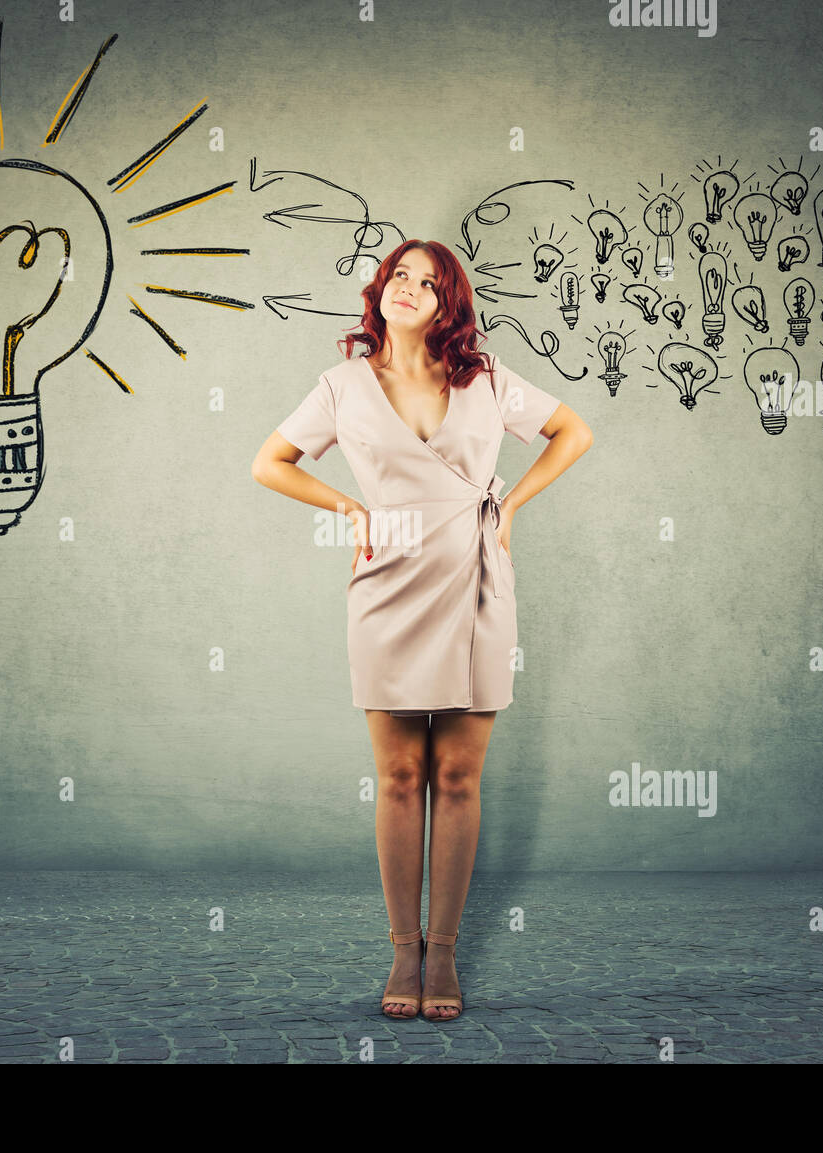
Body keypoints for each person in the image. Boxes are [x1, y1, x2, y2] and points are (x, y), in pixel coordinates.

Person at [252, 240, 592, 1020]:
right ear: (381, 291)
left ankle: (445, 955)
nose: (410, 288)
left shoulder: (485, 376)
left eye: (429, 282)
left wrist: (509, 507)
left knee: (459, 777)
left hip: (476, 584)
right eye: (399, 275)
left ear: (448, 304)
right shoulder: (340, 386)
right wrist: (351, 510)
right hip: (388, 588)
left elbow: (574, 431)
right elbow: (270, 461)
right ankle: (402, 950)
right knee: (402, 776)